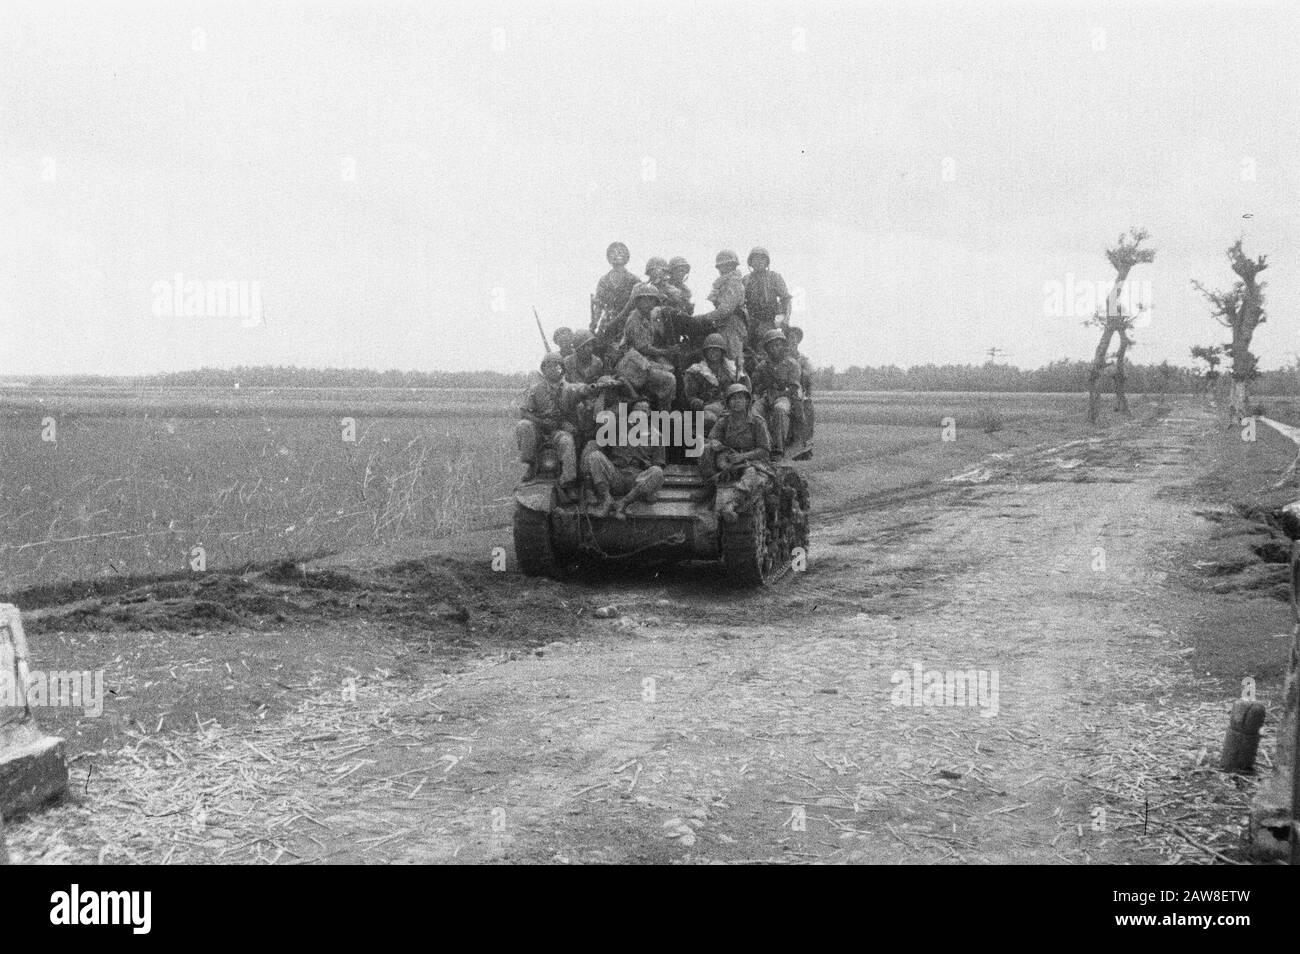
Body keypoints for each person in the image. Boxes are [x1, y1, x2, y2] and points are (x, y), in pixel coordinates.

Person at [516, 352, 603, 492]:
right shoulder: (536, 390)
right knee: (524, 425)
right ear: (543, 370)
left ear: (562, 369)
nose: (553, 369)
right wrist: (541, 421)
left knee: (566, 440)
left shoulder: (569, 388)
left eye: (557, 366)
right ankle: (531, 465)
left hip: (558, 430)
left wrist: (592, 387)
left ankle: (568, 480)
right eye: (549, 366)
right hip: (540, 429)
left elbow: (581, 389)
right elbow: (524, 412)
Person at [582, 398, 666, 519]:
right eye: (636, 410)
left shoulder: (657, 435)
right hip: (617, 475)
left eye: (643, 411)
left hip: (637, 480)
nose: (639, 414)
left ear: (649, 413)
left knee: (657, 472)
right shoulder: (618, 427)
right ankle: (607, 499)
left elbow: (659, 464)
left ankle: (623, 503)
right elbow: (598, 428)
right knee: (595, 456)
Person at [702, 383, 772, 523]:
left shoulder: (757, 422)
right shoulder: (724, 421)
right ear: (728, 403)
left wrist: (743, 456)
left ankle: (731, 504)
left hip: (752, 461)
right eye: (733, 399)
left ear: (747, 401)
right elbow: (711, 438)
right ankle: (708, 485)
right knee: (705, 449)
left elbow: (764, 450)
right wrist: (714, 443)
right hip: (728, 460)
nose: (737, 401)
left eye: (741, 398)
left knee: (751, 475)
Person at [613, 283, 676, 407]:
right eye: (644, 299)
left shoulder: (648, 317)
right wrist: (667, 351)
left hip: (641, 362)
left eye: (651, 299)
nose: (648, 303)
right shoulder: (635, 318)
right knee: (670, 379)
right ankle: (663, 413)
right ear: (637, 302)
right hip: (632, 365)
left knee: (671, 368)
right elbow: (644, 348)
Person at [692, 249, 749, 376]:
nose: (725, 268)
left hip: (732, 326)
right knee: (723, 361)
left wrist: (704, 318)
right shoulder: (722, 284)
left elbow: (726, 310)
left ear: (734, 266)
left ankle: (739, 390)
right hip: (722, 326)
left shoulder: (733, 283)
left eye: (728, 264)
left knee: (734, 362)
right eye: (722, 265)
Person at [751, 328, 804, 458]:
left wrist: (777, 395)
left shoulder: (792, 364)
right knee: (753, 412)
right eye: (771, 345)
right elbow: (755, 385)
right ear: (767, 348)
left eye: (778, 344)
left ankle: (778, 450)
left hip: (786, 397)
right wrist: (758, 394)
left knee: (779, 410)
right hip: (766, 396)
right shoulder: (762, 366)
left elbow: (793, 387)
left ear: (783, 346)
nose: (775, 348)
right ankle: (759, 446)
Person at [684, 332, 741, 431]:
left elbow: (741, 388)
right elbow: (690, 397)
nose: (713, 353)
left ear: (722, 352)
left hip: (730, 405)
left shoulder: (731, 369)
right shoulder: (696, 371)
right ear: (705, 352)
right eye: (709, 350)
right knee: (710, 420)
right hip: (708, 407)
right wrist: (702, 405)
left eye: (716, 350)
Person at [743, 247, 792, 350]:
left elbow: (786, 300)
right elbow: (740, 302)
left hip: (770, 321)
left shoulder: (774, 277)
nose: (759, 262)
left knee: (770, 348)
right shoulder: (746, 280)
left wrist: (785, 320)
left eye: (762, 259)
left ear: (767, 261)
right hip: (750, 322)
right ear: (750, 262)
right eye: (755, 259)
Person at [592, 241, 638, 336]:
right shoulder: (604, 280)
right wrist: (594, 323)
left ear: (626, 256)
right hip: (608, 323)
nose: (617, 255)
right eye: (613, 252)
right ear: (609, 257)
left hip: (629, 321)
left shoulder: (634, 280)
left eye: (621, 252)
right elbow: (598, 306)